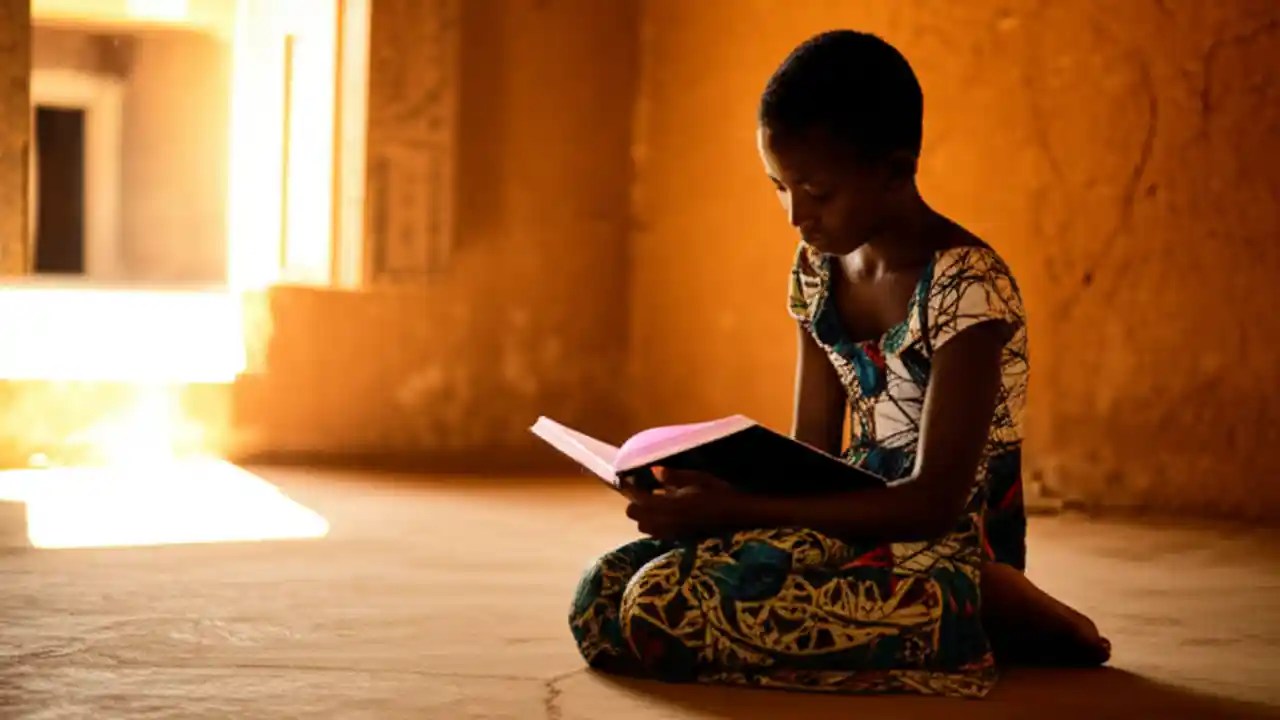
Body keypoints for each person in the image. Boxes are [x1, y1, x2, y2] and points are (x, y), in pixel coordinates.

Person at [568, 29, 1109, 698]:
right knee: (602, 600)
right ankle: (955, 622)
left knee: (662, 608)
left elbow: (936, 502)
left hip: (941, 543)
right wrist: (700, 493)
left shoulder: (968, 286)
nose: (797, 216)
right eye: (778, 187)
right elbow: (810, 457)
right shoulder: (816, 273)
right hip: (845, 522)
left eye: (817, 193)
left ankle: (989, 607)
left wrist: (738, 515)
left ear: (894, 168)